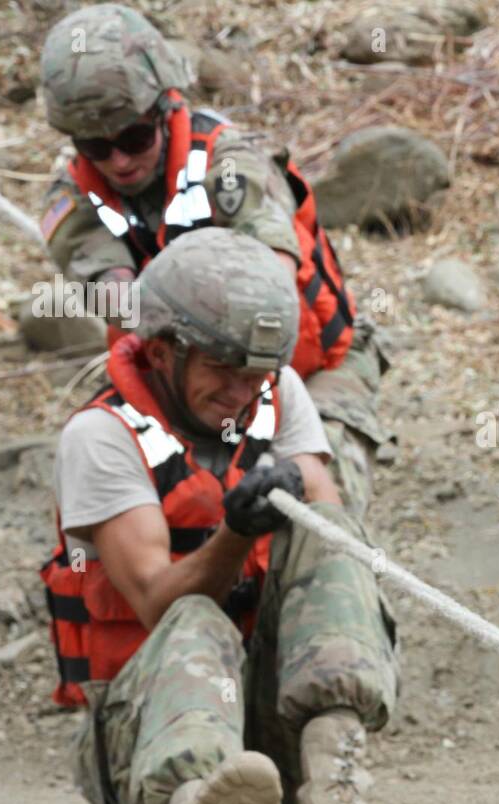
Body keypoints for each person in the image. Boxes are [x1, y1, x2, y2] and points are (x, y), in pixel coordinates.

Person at [40, 228, 405, 804]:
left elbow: (328, 537)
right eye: (221, 370)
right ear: (160, 352)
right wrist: (236, 533)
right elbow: (157, 603)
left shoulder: (276, 393)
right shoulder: (101, 436)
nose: (242, 393)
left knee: (335, 539)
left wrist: (295, 488)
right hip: (144, 749)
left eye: (255, 375)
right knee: (195, 614)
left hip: (263, 743)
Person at [37, 2, 388, 520]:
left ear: (164, 109)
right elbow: (117, 300)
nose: (120, 160)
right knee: (108, 489)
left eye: (134, 138)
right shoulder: (73, 200)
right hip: (185, 386)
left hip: (309, 373)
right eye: (96, 146)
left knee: (314, 510)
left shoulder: (232, 168)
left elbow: (273, 289)